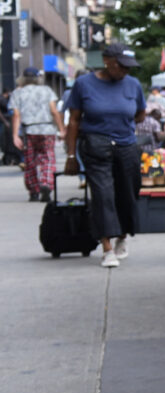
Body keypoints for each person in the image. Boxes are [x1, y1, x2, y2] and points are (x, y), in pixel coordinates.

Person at [64, 43, 145, 268]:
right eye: (122, 66)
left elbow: (140, 114)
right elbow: (74, 121)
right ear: (107, 60)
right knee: (103, 194)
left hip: (126, 145)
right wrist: (71, 155)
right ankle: (107, 247)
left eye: (129, 67)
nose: (125, 71)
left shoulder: (133, 85)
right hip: (95, 144)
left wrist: (120, 122)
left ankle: (122, 237)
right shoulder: (84, 84)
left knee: (128, 193)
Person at [10, 68, 65, 202]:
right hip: (47, 129)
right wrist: (61, 129)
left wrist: (15, 135)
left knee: (30, 162)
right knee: (48, 157)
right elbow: (54, 111)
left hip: (29, 131)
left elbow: (16, 115)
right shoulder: (47, 90)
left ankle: (34, 191)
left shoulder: (18, 93)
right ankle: (46, 183)